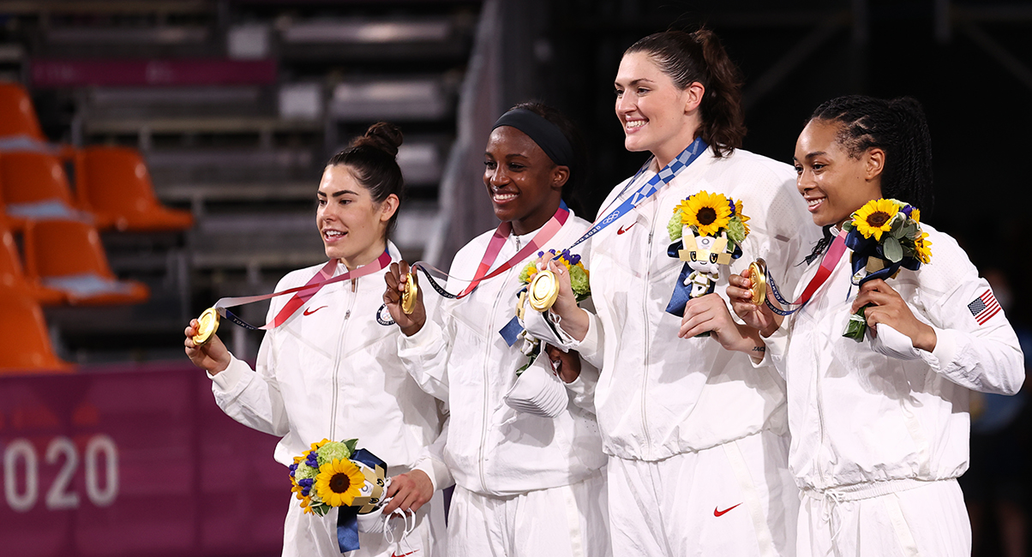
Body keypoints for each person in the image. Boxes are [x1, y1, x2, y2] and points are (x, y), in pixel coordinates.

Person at [528, 29, 820, 557]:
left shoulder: (765, 184)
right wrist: (576, 323)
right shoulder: (621, 200)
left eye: (641, 89)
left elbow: (819, 307)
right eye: (619, 91)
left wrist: (755, 337)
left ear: (692, 96)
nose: (625, 106)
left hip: (723, 454)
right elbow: (620, 346)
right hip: (631, 466)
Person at [723, 95, 1025, 556]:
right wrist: (765, 336)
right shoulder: (818, 267)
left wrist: (925, 335)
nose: (803, 182)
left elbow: (1008, 368)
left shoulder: (926, 248)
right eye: (799, 168)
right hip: (819, 513)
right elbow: (827, 383)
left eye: (817, 166)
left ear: (872, 163)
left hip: (900, 510)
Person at [183, 123, 446, 557]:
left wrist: (431, 473)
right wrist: (224, 368)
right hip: (312, 514)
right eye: (322, 201)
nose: (327, 214)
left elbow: (459, 406)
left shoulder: (426, 296)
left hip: (397, 515)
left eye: (345, 201)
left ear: (387, 207)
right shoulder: (294, 292)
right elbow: (283, 414)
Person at [379, 102, 609, 556]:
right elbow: (458, 388)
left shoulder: (593, 249)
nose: (496, 178)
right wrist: (418, 330)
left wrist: (574, 369)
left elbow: (614, 373)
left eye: (516, 166)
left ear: (558, 175)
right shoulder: (470, 258)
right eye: (490, 164)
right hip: (472, 503)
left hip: (556, 496)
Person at [960, 268, 1032, 557]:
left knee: (1010, 503)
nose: (994, 293)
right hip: (970, 431)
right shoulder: (961, 329)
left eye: (1001, 287)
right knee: (971, 504)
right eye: (988, 288)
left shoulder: (1019, 335)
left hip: (1007, 430)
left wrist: (1011, 367)